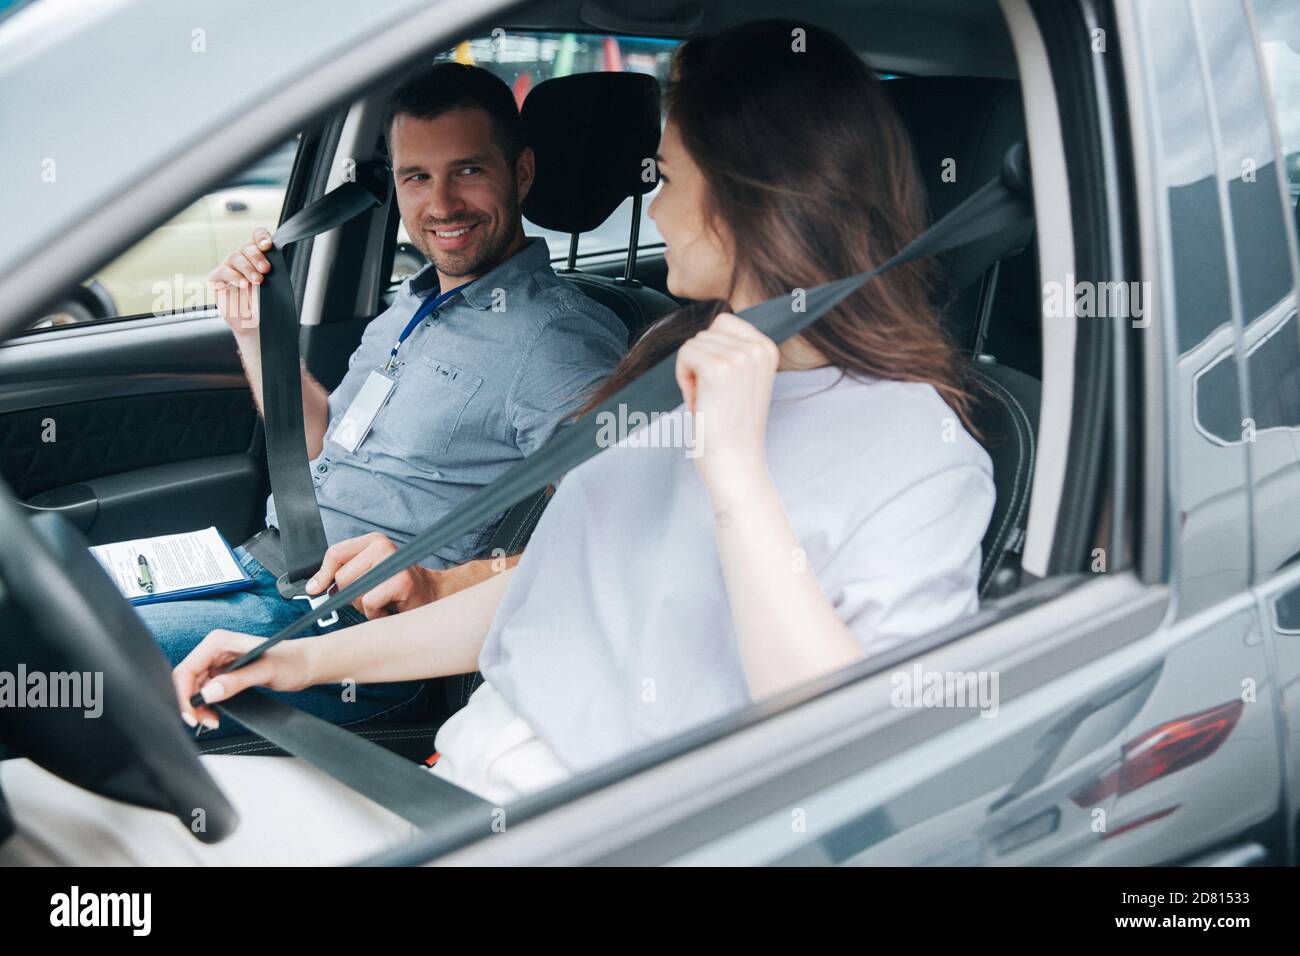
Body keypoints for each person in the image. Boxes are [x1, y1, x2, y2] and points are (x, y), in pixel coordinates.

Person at [0, 20, 994, 865]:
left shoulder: (914, 448)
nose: (648, 203)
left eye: (671, 173)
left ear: (752, 193)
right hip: (458, 778)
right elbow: (544, 590)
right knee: (52, 815)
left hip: (603, 832)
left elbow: (864, 749)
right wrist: (291, 661)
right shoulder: (663, 367)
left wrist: (735, 473)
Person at [137, 62, 628, 735]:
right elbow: (322, 446)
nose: (442, 204)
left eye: (469, 170)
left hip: (356, 641)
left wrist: (439, 582)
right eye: (417, 177)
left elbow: (617, 541)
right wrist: (256, 331)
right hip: (270, 565)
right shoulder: (413, 302)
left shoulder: (559, 341)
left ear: (521, 173)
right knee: (53, 596)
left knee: (53, 645)